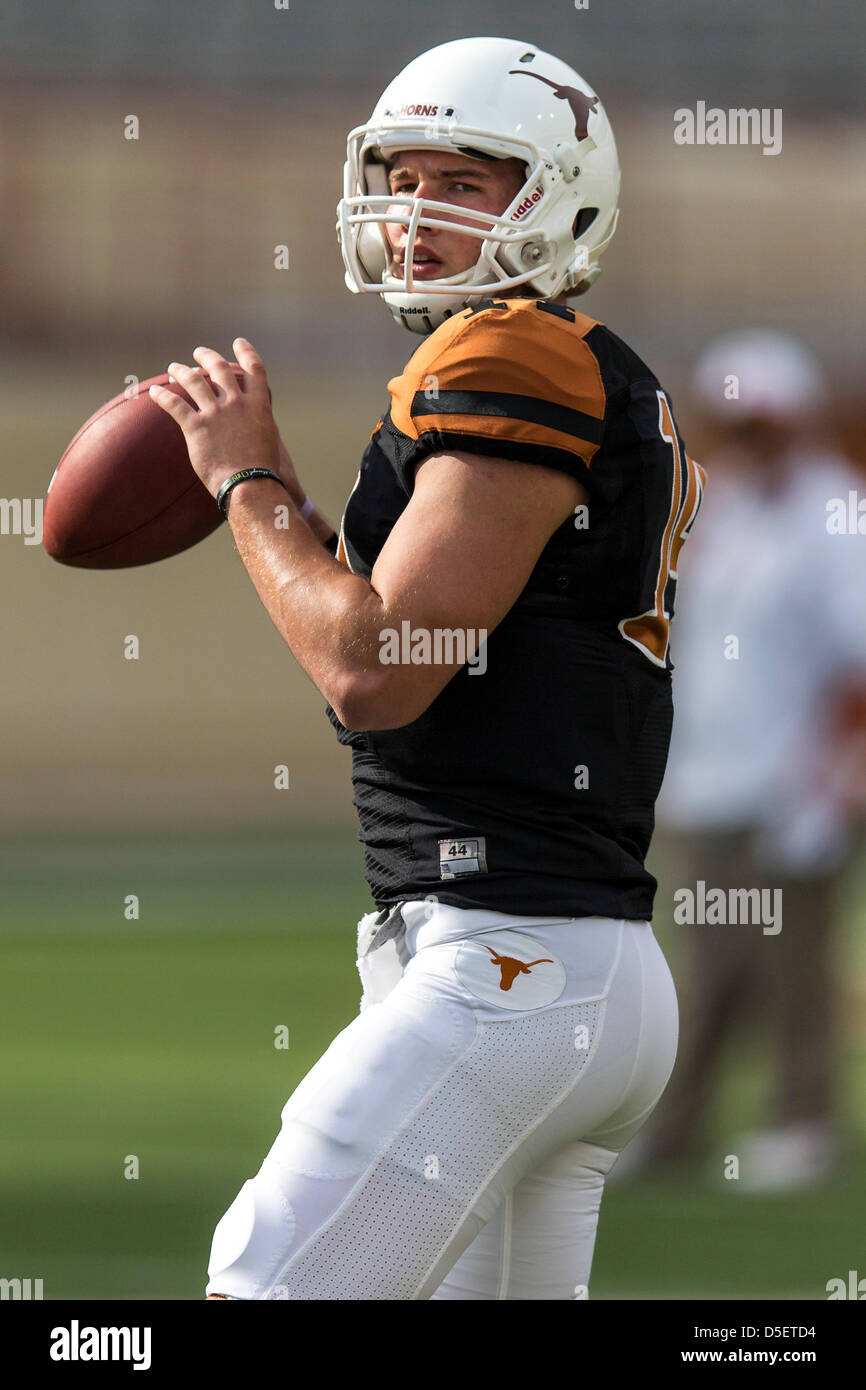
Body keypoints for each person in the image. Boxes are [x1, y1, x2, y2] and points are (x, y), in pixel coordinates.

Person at [150, 36, 705, 1300]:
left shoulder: (509, 354)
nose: (412, 212)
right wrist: (283, 502)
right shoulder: (567, 365)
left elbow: (378, 666)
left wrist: (240, 483)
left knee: (261, 1287)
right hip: (563, 960)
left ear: (558, 194)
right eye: (399, 174)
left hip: (509, 963)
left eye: (462, 181)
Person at [613, 330, 866, 1190]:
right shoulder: (711, 508)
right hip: (707, 777)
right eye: (736, 424)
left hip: (793, 781)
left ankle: (801, 1121)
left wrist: (836, 780)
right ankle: (678, 1127)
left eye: (762, 424)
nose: (748, 440)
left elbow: (855, 658)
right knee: (709, 963)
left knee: (792, 961)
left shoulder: (837, 513)